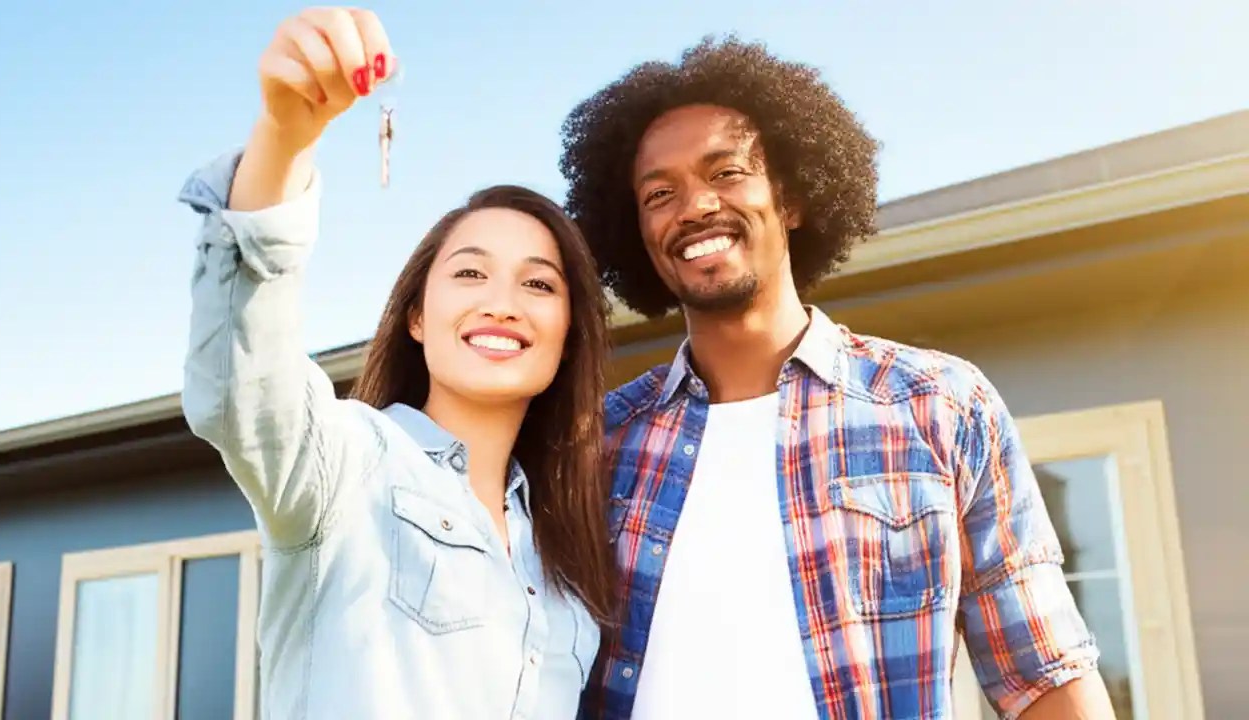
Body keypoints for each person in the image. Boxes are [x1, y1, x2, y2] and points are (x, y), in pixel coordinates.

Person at [560, 37, 1116, 720]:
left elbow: (1044, 679)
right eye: (660, 193)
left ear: (789, 198)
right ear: (637, 231)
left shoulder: (941, 405)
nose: (695, 206)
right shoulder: (603, 441)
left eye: (726, 172)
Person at [177, 8, 615, 718]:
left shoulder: (566, 554)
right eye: (470, 274)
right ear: (417, 315)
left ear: (570, 333)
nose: (502, 304)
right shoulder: (348, 465)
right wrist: (284, 140)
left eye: (538, 284)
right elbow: (243, 391)